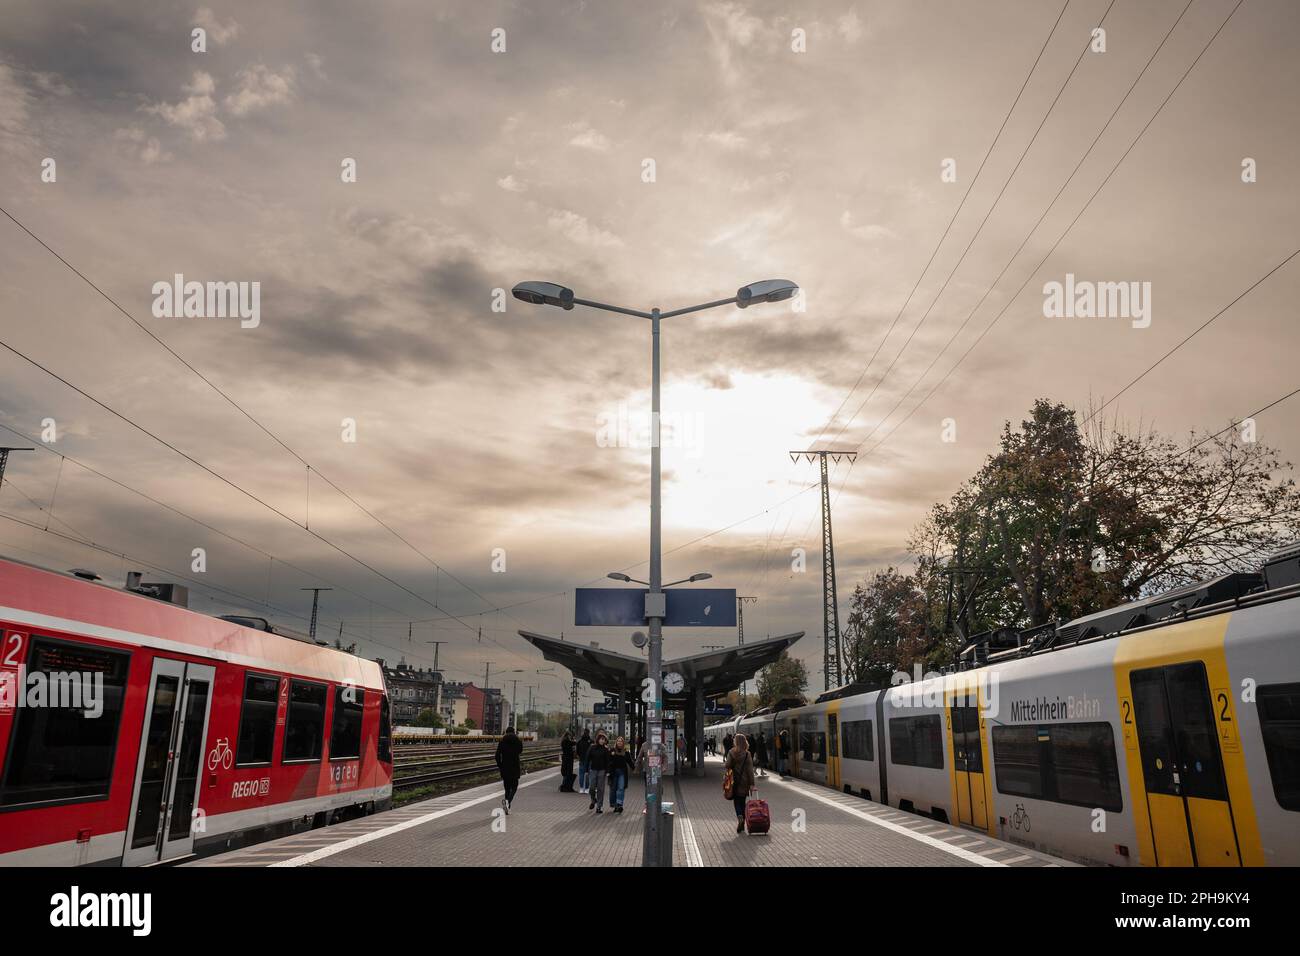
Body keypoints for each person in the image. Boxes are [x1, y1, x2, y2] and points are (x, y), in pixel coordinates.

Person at [724, 732, 756, 834]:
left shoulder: (731, 752)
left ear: (735, 742)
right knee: (742, 801)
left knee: (736, 801)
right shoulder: (747, 754)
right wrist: (752, 784)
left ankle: (740, 817)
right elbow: (750, 770)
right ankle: (743, 822)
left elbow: (727, 765)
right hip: (745, 782)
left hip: (734, 781)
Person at [494, 725, 523, 814]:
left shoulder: (502, 741)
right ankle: (507, 803)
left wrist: (500, 765)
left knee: (507, 789)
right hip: (515, 766)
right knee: (514, 787)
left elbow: (497, 755)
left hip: (505, 767)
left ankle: (507, 806)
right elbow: (520, 751)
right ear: (514, 732)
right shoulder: (518, 741)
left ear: (506, 732)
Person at [607, 736, 633, 812]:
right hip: (613, 772)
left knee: (621, 788)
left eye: (621, 741)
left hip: (622, 772)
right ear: (616, 742)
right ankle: (614, 804)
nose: (619, 742)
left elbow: (630, 762)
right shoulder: (612, 751)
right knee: (613, 789)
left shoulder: (625, 752)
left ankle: (619, 804)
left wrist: (635, 768)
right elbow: (608, 761)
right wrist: (608, 771)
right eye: (618, 741)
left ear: (623, 743)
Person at [587, 732, 610, 814]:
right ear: (598, 739)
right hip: (593, 770)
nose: (602, 741)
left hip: (602, 771)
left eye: (604, 740)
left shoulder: (606, 749)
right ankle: (593, 800)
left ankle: (599, 807)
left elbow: (608, 761)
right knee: (591, 787)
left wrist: (607, 771)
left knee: (600, 789)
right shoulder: (592, 748)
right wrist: (586, 770)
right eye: (601, 739)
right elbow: (588, 758)